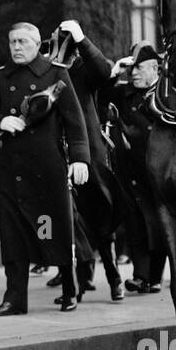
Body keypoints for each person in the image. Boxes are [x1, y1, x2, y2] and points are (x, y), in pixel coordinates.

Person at [0, 22, 89, 315]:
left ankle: (69, 288)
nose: (16, 47)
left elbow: (74, 121)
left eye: (23, 42)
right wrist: (0, 121)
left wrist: (80, 158)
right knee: (13, 237)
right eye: (12, 41)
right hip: (12, 170)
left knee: (57, 231)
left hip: (48, 168)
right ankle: (14, 298)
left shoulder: (55, 73)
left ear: (36, 43)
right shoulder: (1, 76)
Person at [51, 19, 124, 301]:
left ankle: (113, 275)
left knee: (100, 217)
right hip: (60, 152)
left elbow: (104, 72)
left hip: (90, 154)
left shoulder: (83, 70)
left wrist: (83, 39)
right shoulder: (50, 70)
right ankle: (79, 282)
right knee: (71, 219)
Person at [105, 42, 166, 293]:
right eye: (132, 70)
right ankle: (141, 276)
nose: (134, 74)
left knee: (160, 225)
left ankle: (154, 277)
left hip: (161, 173)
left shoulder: (167, 95)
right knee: (136, 224)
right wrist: (114, 73)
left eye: (139, 68)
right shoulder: (125, 93)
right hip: (131, 172)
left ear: (155, 68)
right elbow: (101, 96)